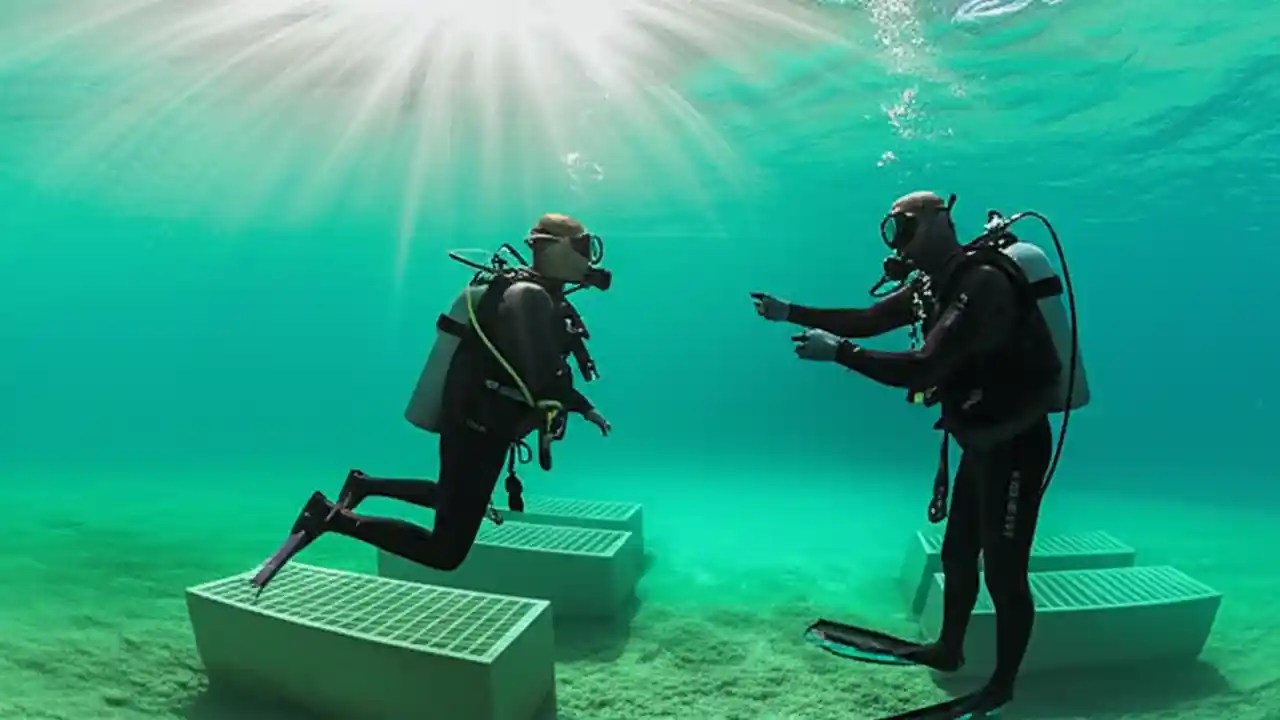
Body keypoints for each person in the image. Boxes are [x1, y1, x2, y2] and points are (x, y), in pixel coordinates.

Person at [751, 191, 1070, 718]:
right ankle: (949, 649)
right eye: (889, 230)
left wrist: (841, 355)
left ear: (939, 222)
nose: (895, 241)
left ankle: (1003, 684)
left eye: (901, 227)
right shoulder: (933, 285)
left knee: (1005, 571)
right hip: (980, 438)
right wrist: (790, 312)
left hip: (1014, 443)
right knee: (957, 554)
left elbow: (923, 366)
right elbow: (869, 318)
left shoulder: (980, 282)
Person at [251, 213, 614, 592]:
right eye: (584, 247)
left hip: (477, 422)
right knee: (446, 551)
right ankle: (328, 516)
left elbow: (538, 369)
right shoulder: (529, 298)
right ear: (554, 248)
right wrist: (574, 404)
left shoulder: (531, 293)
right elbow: (542, 375)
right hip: (480, 429)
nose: (590, 258)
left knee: (452, 495)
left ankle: (364, 485)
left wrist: (579, 406)